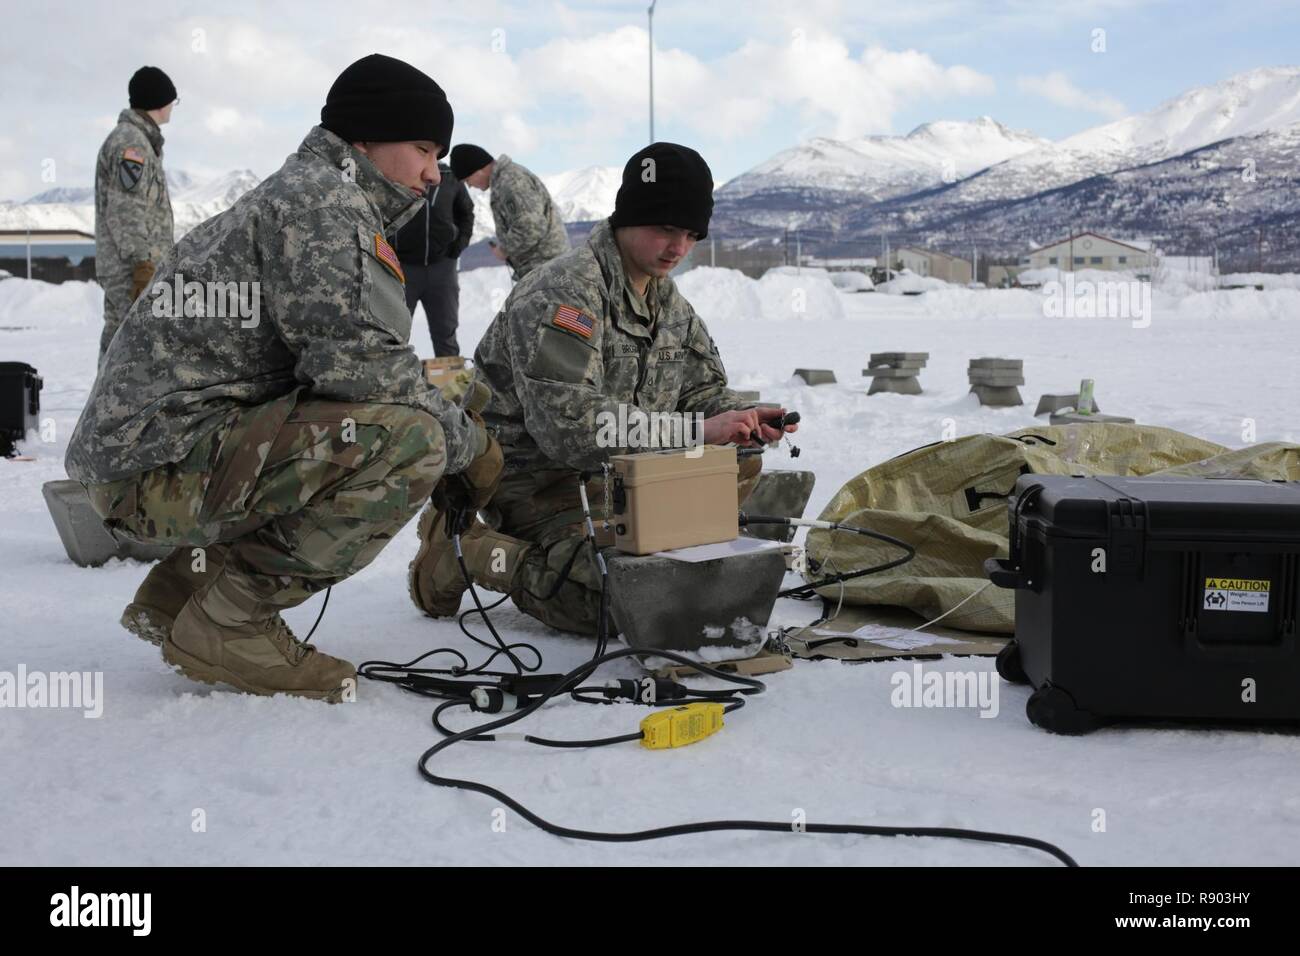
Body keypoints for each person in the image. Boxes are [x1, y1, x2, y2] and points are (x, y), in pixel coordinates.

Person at [66, 54, 502, 702]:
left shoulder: (315, 191)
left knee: (370, 416)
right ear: (365, 137)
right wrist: (472, 447)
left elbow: (336, 364)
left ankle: (180, 595)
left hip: (152, 454)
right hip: (150, 471)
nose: (433, 172)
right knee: (410, 440)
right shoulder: (322, 202)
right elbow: (360, 370)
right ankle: (229, 621)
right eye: (421, 147)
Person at [409, 142, 795, 635]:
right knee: (614, 600)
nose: (678, 247)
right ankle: (468, 546)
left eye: (691, 234)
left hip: (618, 472)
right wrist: (698, 430)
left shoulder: (667, 303)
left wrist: (743, 418)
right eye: (665, 228)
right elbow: (567, 429)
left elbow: (700, 393)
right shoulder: (564, 293)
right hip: (533, 477)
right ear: (627, 218)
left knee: (695, 567)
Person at [94, 65, 177, 358]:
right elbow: (125, 209)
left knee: (121, 343)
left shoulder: (140, 142)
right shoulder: (131, 144)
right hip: (131, 269)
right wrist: (142, 265)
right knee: (132, 348)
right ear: (159, 101)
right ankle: (114, 405)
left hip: (137, 266)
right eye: (172, 101)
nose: (172, 108)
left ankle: (107, 405)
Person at [389, 160, 474, 356]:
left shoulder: (450, 176)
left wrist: (458, 247)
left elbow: (466, 213)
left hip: (442, 268)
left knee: (446, 331)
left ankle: (450, 383)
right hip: (403, 269)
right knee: (393, 332)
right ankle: (397, 382)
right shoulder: (398, 171)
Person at [449, 144, 569, 279]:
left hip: (547, 269)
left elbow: (531, 226)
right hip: (543, 267)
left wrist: (504, 250)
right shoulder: (505, 179)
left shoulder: (510, 182)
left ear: (478, 171)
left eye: (467, 180)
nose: (470, 186)